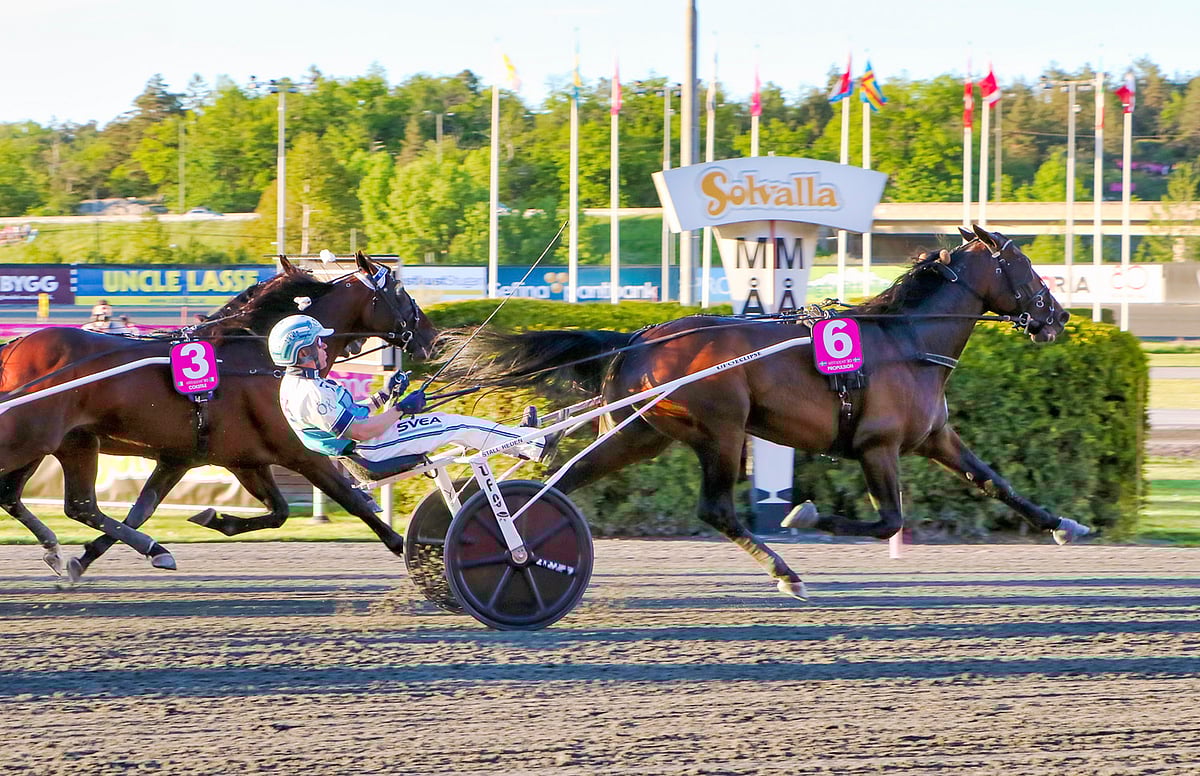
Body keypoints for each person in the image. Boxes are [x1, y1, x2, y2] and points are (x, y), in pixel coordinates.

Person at [268, 314, 558, 476]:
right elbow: (362, 431)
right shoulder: (309, 392)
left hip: (371, 445)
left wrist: (385, 395)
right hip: (373, 450)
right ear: (303, 352)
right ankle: (533, 444)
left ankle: (518, 440)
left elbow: (355, 415)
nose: (324, 347)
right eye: (318, 343)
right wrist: (402, 408)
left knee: (450, 422)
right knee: (457, 425)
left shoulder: (305, 384)